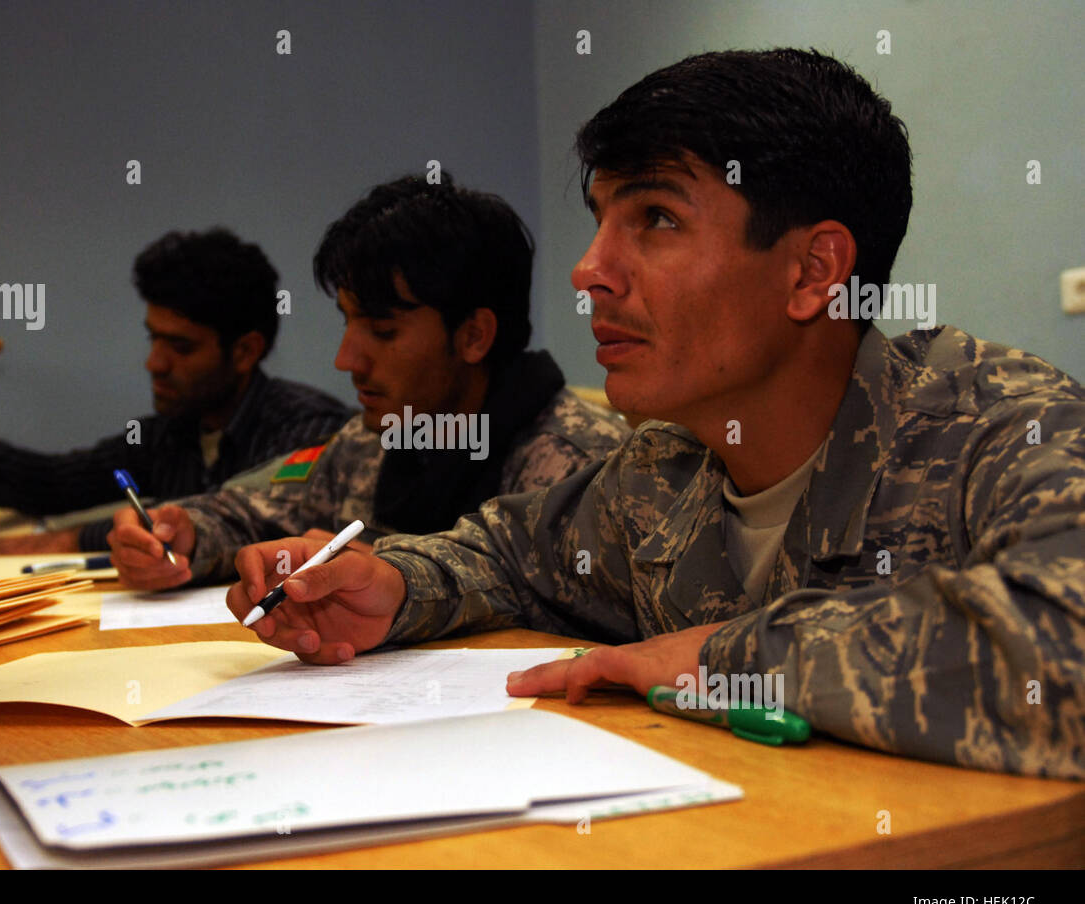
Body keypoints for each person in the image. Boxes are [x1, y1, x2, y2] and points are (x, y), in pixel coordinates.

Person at [223, 50, 1085, 780]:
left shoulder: (1001, 427)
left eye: (658, 218)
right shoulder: (665, 467)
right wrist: (398, 586)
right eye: (601, 222)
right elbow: (515, 555)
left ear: (815, 271)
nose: (589, 271)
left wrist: (725, 658)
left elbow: (1066, 648)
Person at [108, 175, 630, 589]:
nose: (345, 359)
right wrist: (183, 535)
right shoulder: (370, 441)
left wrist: (385, 571)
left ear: (474, 336)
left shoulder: (577, 466)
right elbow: (260, 513)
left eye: (382, 330)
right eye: (346, 321)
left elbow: (568, 615)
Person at [0, 227, 352, 553]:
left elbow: (244, 521)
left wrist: (70, 540)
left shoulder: (308, 429)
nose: (154, 363)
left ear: (245, 351)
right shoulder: (170, 432)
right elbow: (59, 481)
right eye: (152, 338)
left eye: (180, 347)